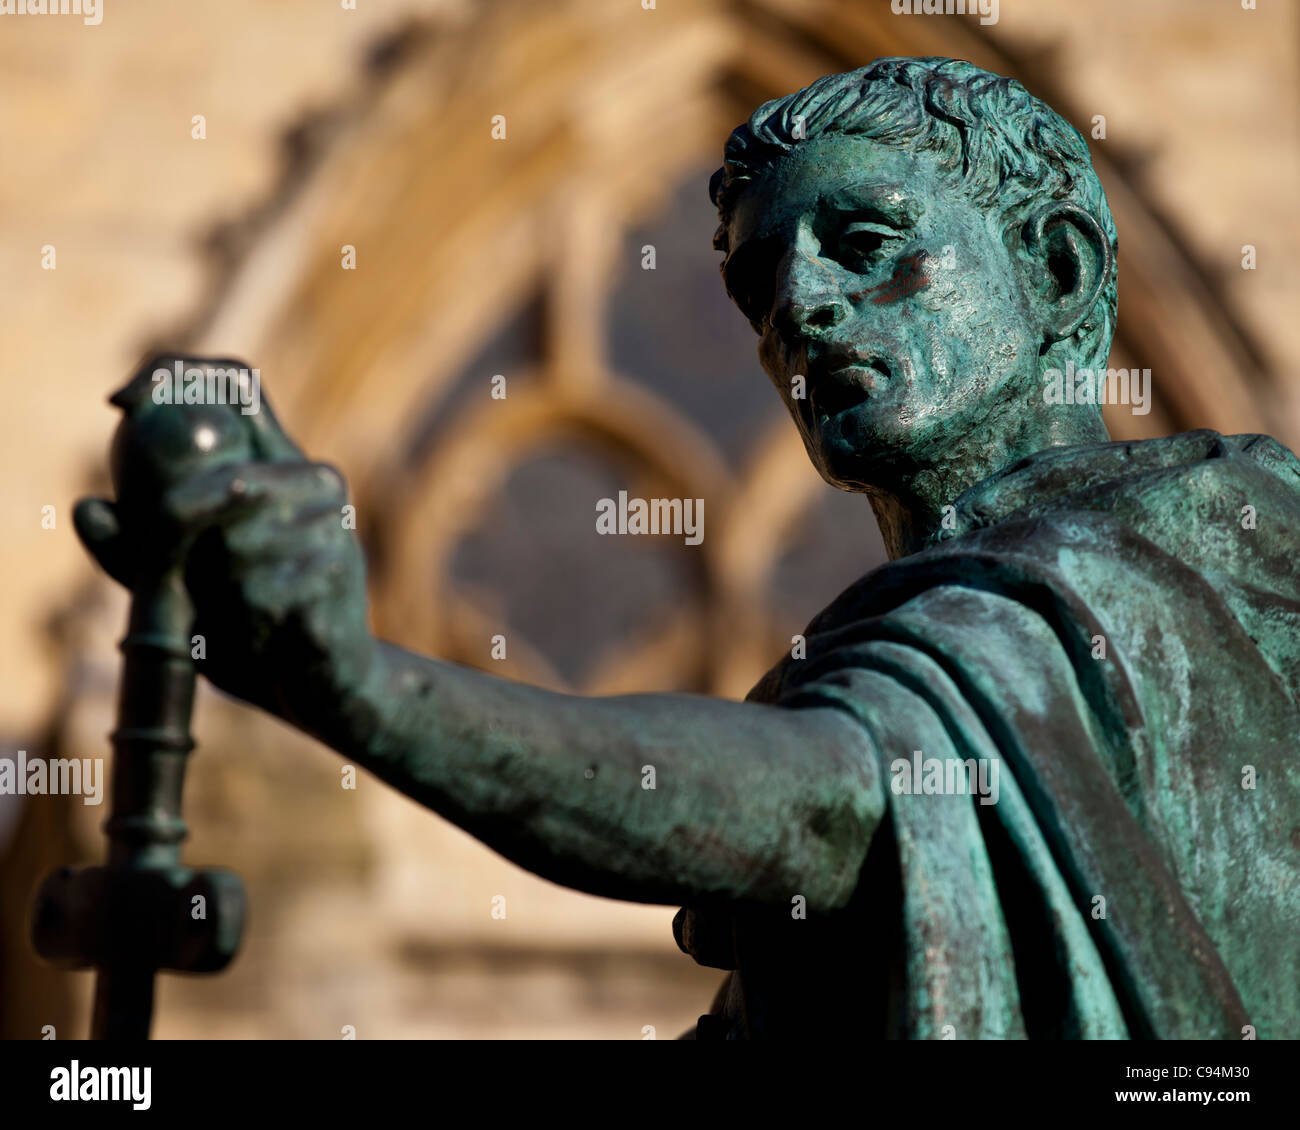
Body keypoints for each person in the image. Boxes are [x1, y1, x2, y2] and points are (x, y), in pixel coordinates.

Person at [76, 57, 1300, 1040]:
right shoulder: (903, 652)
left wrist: (366, 689)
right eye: (764, 281)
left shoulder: (1212, 542)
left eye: (864, 244)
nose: (798, 309)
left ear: (1055, 268)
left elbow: (832, 800)